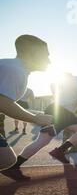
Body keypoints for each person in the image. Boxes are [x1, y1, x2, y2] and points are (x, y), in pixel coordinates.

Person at [2, 64, 77, 180]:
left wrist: (58, 97)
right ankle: (14, 167)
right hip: (62, 113)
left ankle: (59, 151)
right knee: (41, 142)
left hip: (60, 111)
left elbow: (53, 84)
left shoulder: (72, 79)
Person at [0, 35, 53, 173]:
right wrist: (35, 118)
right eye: (46, 55)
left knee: (6, 157)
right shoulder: (15, 71)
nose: (49, 61)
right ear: (33, 53)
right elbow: (3, 103)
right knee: (6, 159)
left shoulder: (11, 66)